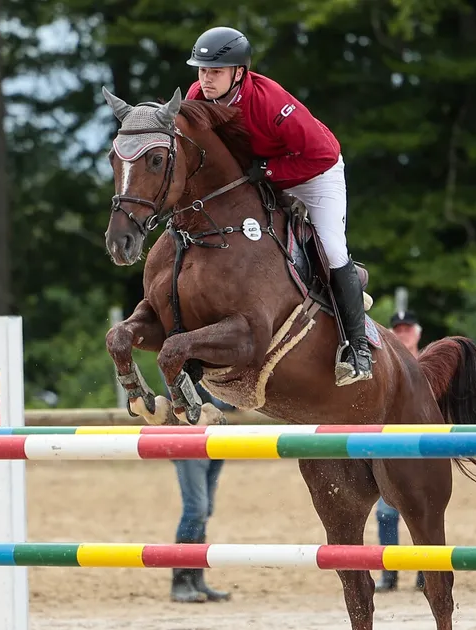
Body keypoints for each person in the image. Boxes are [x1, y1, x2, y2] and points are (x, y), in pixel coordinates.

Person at [184, 26, 371, 388]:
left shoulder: (270, 101)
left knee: (333, 248)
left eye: (215, 72)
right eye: (202, 70)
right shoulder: (198, 97)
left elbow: (322, 154)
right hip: (259, 175)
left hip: (314, 173)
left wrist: (268, 171)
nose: (205, 80)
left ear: (240, 72)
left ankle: (357, 350)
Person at [373, 310, 426, 593]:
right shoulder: (385, 367)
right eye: (399, 329)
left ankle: (426, 570)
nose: (403, 333)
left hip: (424, 451)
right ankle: (389, 572)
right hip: (391, 449)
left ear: (417, 333)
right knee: (386, 512)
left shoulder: (429, 364)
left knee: (423, 513)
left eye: (408, 329)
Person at [169, 380, 235, 603]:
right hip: (189, 434)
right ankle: (181, 582)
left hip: (217, 434)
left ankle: (196, 580)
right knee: (196, 509)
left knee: (205, 510)